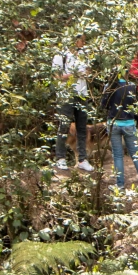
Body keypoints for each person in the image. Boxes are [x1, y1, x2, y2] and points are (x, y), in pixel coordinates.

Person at [101, 74, 138, 192]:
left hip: (113, 123)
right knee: (135, 154)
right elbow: (135, 106)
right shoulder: (131, 86)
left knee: (117, 155)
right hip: (129, 124)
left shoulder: (109, 86)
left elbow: (103, 105)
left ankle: (120, 186)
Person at [53, 33, 94, 171]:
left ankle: (82, 159)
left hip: (82, 94)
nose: (83, 43)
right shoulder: (60, 55)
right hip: (66, 94)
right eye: (82, 40)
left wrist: (87, 73)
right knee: (64, 125)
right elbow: (57, 76)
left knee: (82, 127)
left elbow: (89, 71)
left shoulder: (84, 54)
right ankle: (60, 158)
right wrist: (75, 74)